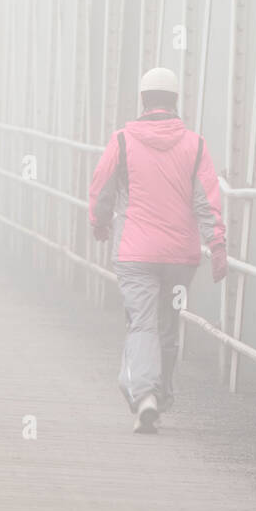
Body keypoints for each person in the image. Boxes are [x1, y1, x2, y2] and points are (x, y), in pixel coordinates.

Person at [88, 66, 227, 434]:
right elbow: (207, 201)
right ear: (175, 100)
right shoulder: (196, 145)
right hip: (181, 256)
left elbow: (101, 187)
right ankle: (160, 396)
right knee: (168, 325)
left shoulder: (122, 141)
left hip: (135, 253)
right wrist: (217, 244)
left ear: (143, 100)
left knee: (142, 323)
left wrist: (99, 222)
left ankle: (145, 394)